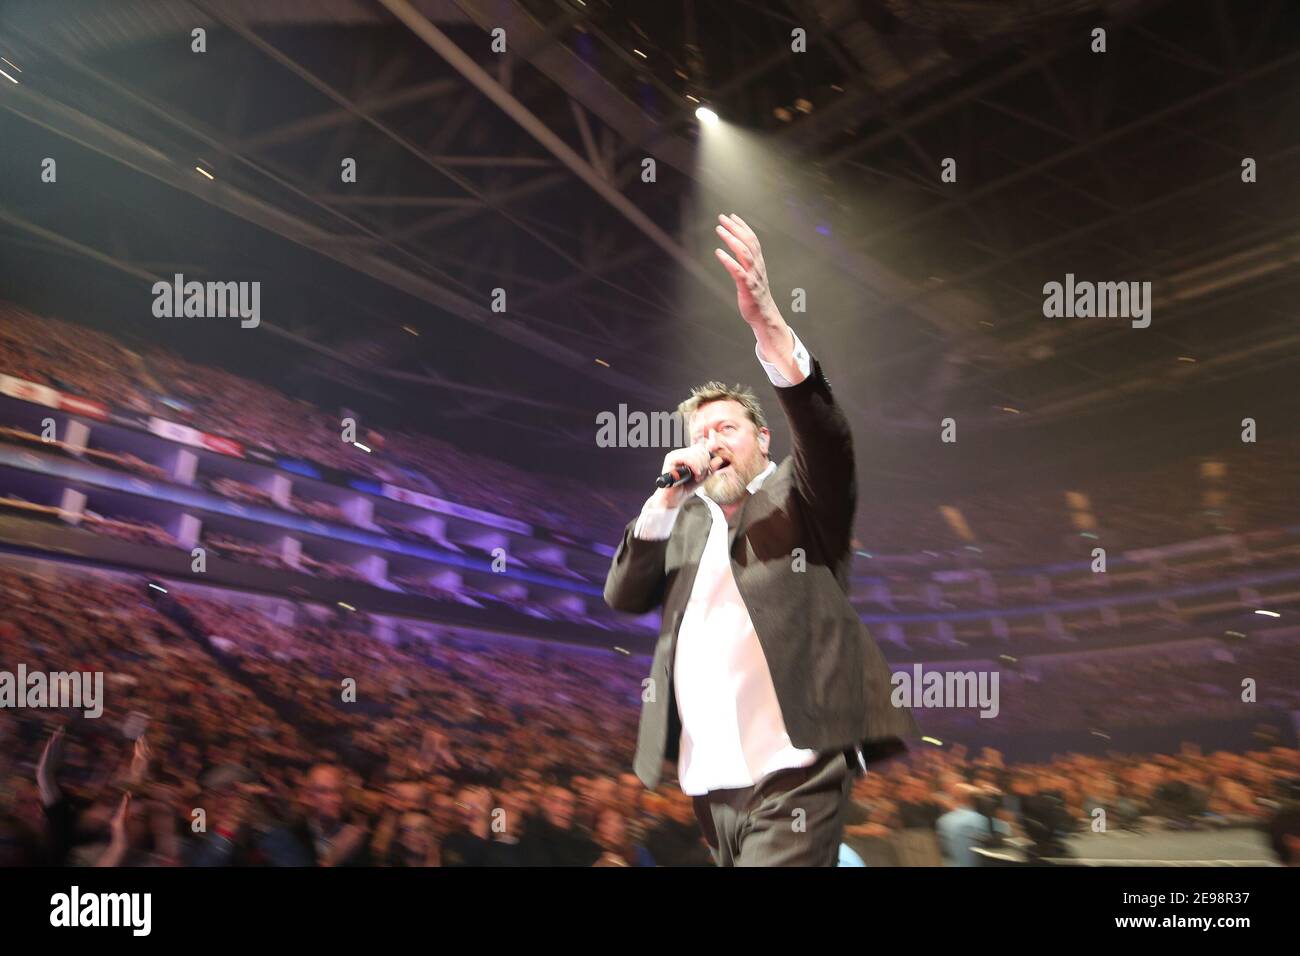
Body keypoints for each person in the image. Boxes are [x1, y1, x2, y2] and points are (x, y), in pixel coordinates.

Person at [604, 213, 918, 866]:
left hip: (794, 771)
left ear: (762, 438)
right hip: (710, 783)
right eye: (700, 433)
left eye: (726, 428)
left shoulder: (803, 498)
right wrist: (665, 496)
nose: (711, 441)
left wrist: (769, 326)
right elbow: (623, 596)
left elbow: (829, 438)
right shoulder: (685, 522)